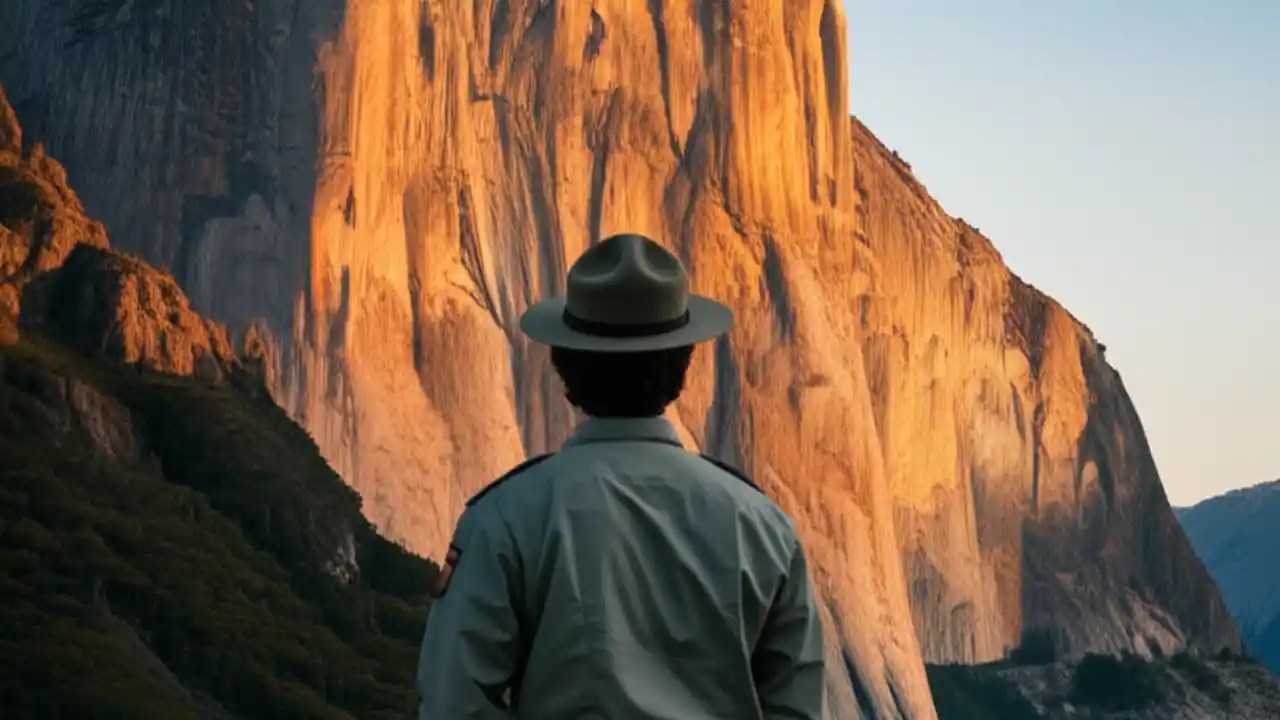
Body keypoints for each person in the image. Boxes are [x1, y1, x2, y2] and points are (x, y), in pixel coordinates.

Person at [416, 233, 825, 719]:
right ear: (683, 365)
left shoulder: (504, 518)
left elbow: (452, 702)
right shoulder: (763, 528)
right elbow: (796, 709)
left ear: (565, 366)